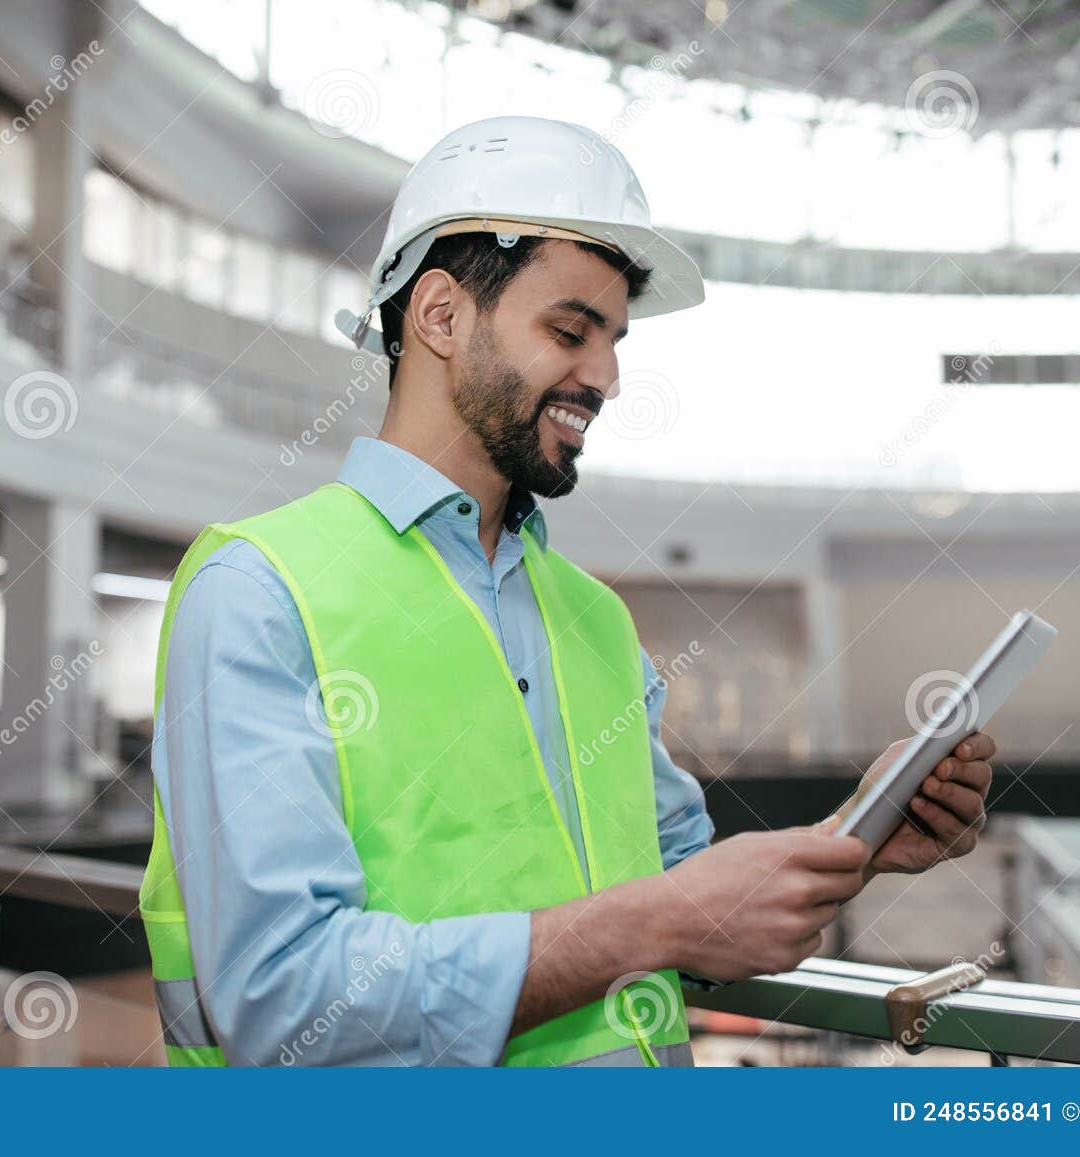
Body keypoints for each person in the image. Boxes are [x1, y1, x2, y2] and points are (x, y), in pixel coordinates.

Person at [140, 115, 995, 1067]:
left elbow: (682, 894)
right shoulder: (259, 590)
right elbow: (281, 998)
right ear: (439, 315)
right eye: (570, 330)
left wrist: (859, 837)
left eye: (614, 339)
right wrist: (653, 925)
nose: (609, 377)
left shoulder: (592, 615)